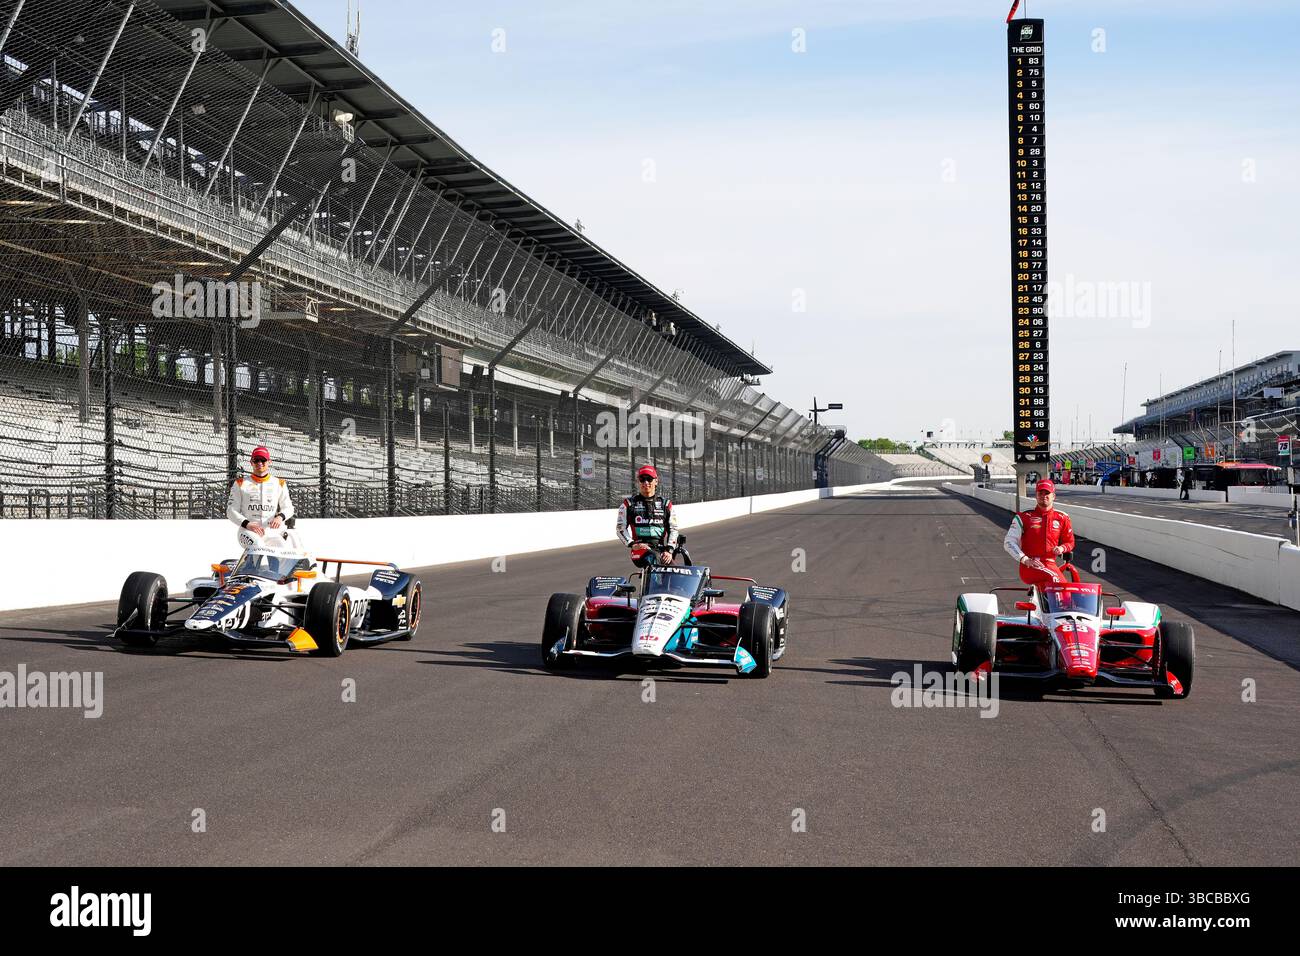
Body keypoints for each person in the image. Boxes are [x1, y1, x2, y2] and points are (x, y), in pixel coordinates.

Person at [1004, 478, 1076, 587]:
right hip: (1030, 566)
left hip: (1051, 565)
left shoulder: (1062, 517)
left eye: (1047, 493)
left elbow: (1069, 542)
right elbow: (1008, 543)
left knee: (1070, 583)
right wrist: (1025, 559)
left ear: (1053, 496)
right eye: (1040, 493)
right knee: (1058, 582)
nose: (1043, 496)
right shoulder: (1023, 517)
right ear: (1036, 496)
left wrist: (1061, 548)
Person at [227, 445, 295, 548]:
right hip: (247, 531)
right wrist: (247, 524)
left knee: (282, 546)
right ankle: (249, 563)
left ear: (269, 462)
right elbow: (231, 511)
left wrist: (280, 517)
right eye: (256, 460)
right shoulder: (240, 483)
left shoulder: (279, 483)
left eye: (263, 460)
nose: (260, 463)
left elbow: (289, 508)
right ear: (251, 463)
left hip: (270, 532)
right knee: (258, 546)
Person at [616, 464, 679, 568]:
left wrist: (669, 550)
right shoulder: (629, 504)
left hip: (660, 550)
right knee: (653, 558)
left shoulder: (666, 504)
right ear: (638, 482)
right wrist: (632, 544)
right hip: (639, 550)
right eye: (642, 479)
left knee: (676, 573)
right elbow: (620, 529)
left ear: (656, 481)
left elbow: (673, 529)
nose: (646, 483)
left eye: (649, 479)